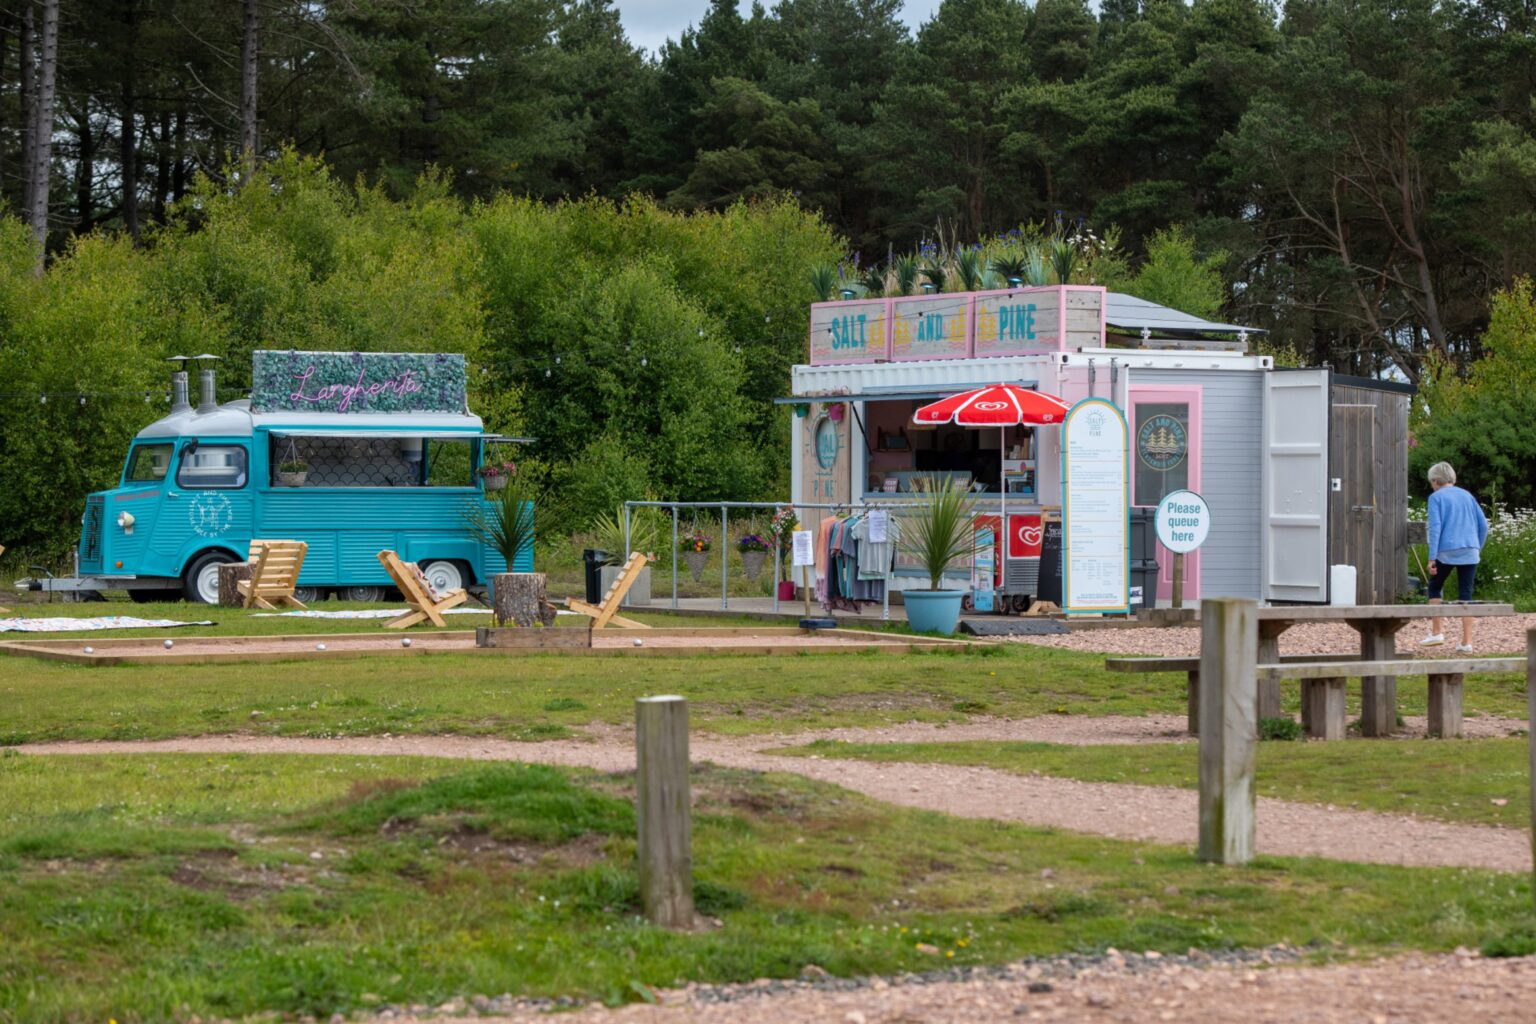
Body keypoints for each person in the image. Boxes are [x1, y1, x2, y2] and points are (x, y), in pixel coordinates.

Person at [1421, 461, 1489, 651]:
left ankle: (1437, 633)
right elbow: (1484, 526)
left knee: (1434, 587)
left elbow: (1435, 528)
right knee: (1465, 595)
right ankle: (1467, 643)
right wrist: (1476, 548)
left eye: (1431, 482)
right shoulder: (1467, 495)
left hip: (1446, 551)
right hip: (1470, 550)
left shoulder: (1436, 498)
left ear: (1435, 480)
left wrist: (1431, 558)